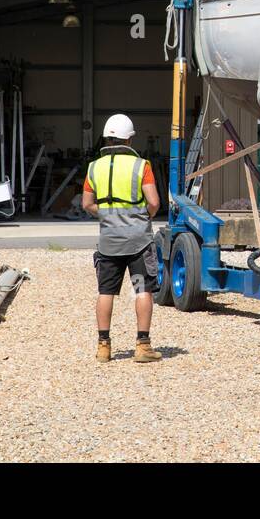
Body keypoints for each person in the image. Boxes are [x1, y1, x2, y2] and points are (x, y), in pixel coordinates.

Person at [82, 114, 162, 363]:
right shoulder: (141, 166)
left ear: (107, 138)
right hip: (138, 242)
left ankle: (103, 347)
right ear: (129, 139)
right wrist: (140, 218)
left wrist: (107, 216)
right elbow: (154, 202)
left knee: (106, 291)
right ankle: (143, 346)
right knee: (142, 289)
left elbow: (87, 203)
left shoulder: (94, 167)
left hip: (109, 242)